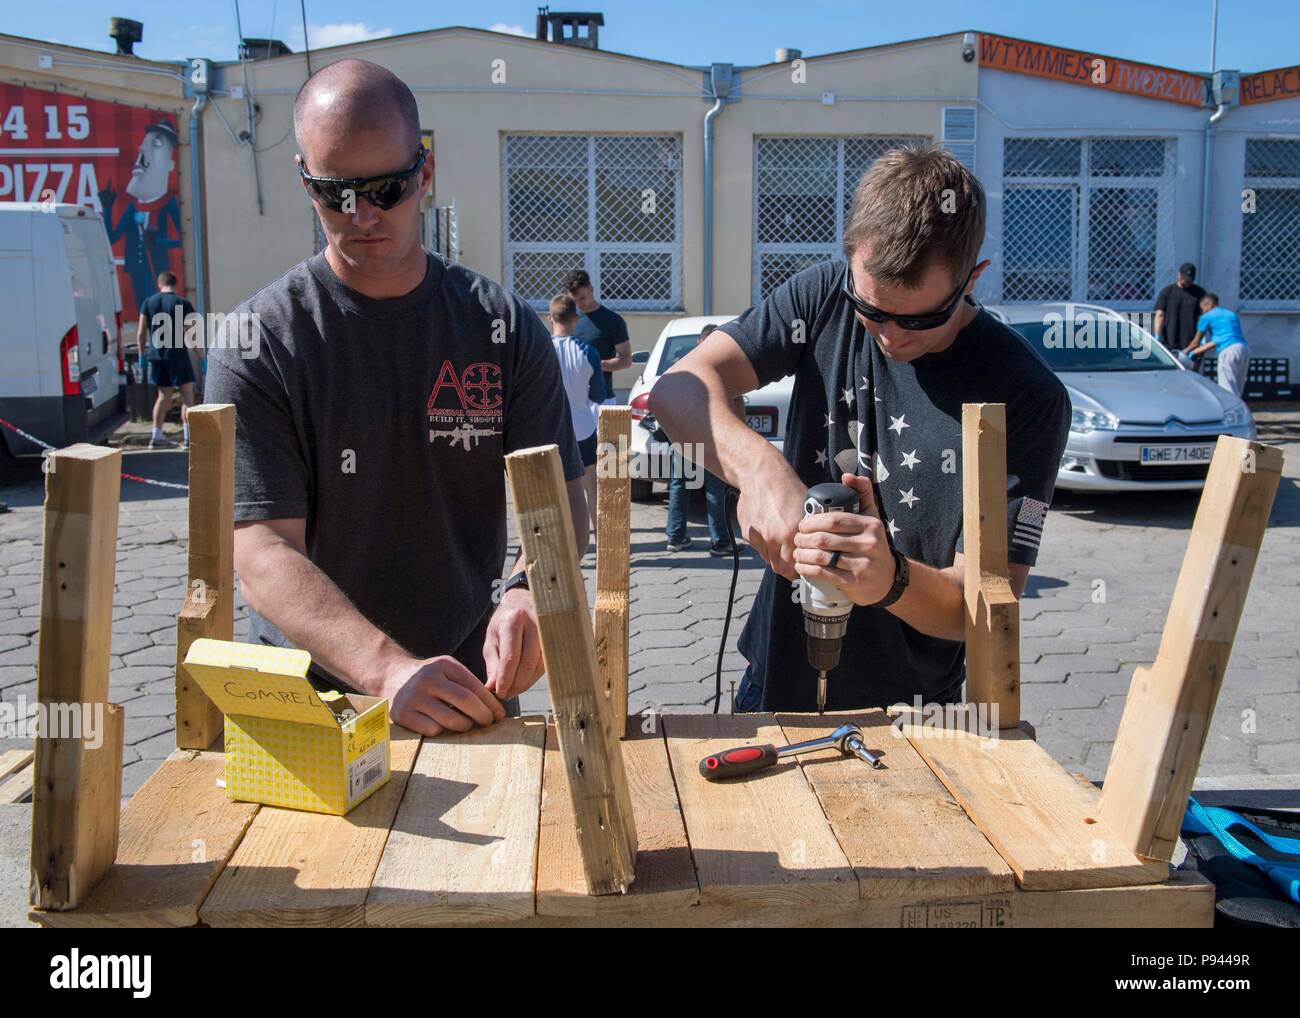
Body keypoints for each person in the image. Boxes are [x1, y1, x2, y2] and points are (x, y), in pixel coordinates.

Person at [204, 59, 588, 738]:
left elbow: (559, 497)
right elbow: (262, 551)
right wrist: (385, 670)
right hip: (311, 698)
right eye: (336, 193)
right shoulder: (260, 342)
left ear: (426, 173)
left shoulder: (499, 329)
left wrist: (532, 588)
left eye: (387, 187)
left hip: (467, 682)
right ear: (304, 182)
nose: (364, 214)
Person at [649, 147, 1071, 713]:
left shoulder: (1027, 396)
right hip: (775, 679)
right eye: (871, 310)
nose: (891, 337)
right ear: (849, 261)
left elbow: (984, 607)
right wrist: (759, 471)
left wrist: (890, 580)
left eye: (920, 318)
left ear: (973, 279)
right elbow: (677, 389)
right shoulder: (823, 297)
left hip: (913, 711)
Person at [664, 323, 736, 556]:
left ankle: (675, 537)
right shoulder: (721, 368)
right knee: (715, 489)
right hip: (712, 436)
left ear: (698, 343)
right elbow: (733, 402)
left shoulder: (681, 367)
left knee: (679, 485)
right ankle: (721, 542)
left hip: (683, 434)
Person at [547, 293, 607, 528]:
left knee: (553, 489)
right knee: (591, 485)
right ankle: (601, 540)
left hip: (550, 430)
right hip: (583, 428)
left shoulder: (541, 350)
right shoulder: (589, 352)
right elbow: (598, 395)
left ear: (550, 317)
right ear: (576, 318)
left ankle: (559, 540)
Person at [136, 270, 197, 449]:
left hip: (156, 356)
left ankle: (156, 436)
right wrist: (201, 356)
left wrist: (142, 356)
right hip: (177, 355)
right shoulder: (183, 303)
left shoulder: (148, 303)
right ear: (176, 285)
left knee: (163, 396)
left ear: (159, 284)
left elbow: (140, 333)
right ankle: (188, 438)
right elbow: (191, 333)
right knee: (187, 395)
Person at [564, 269, 631, 401]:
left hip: (602, 399)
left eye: (582, 298)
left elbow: (626, 360)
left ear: (591, 289)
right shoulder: (568, 320)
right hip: (572, 399)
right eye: (574, 300)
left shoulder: (613, 321)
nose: (578, 304)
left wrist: (594, 365)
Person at [1185, 293, 1250, 396]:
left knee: (1227, 388)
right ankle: (1239, 409)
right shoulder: (1231, 314)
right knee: (1237, 388)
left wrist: (1185, 352)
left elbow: (1195, 342)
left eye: (1203, 308)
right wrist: (1196, 351)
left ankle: (1230, 411)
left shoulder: (1206, 317)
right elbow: (1219, 340)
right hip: (1243, 349)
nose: (1203, 311)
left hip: (1227, 351)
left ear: (1208, 304)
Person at [1154, 262, 1206, 353]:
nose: (1186, 282)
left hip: (1192, 343)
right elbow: (1160, 315)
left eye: (1188, 280)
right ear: (1178, 275)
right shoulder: (1167, 292)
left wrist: (1201, 338)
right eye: (1184, 279)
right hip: (1169, 341)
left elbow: (1204, 317)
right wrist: (1158, 336)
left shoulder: (1200, 294)